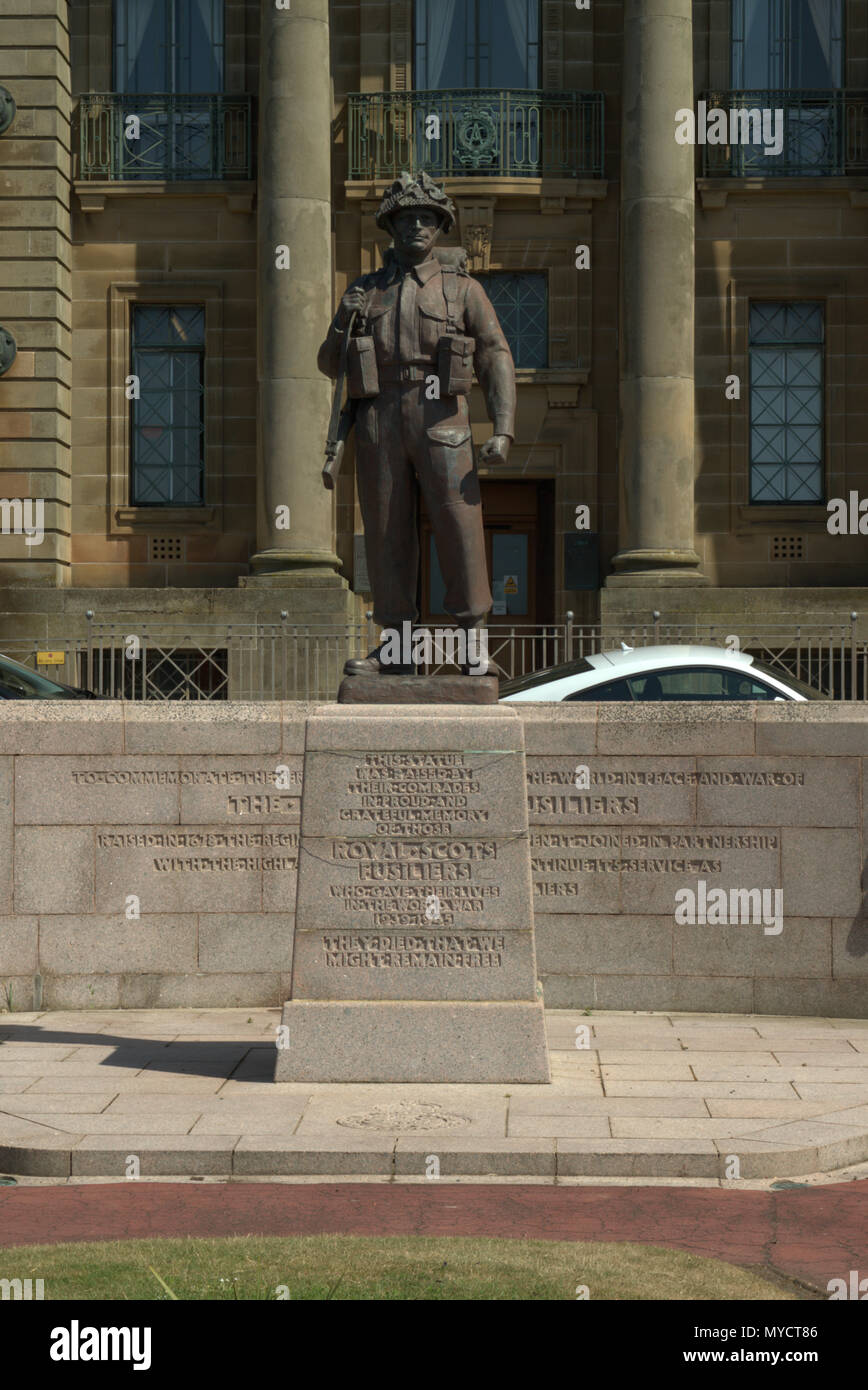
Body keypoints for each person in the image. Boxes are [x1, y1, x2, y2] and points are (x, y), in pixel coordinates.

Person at [317, 171, 516, 675]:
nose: (416, 227)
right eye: (406, 219)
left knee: (459, 525)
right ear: (391, 227)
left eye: (426, 218)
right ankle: (397, 648)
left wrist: (504, 426)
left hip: (442, 412)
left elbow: (494, 353)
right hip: (378, 415)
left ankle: (473, 646)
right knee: (386, 530)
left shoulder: (462, 289)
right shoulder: (365, 291)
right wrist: (344, 319)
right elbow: (328, 362)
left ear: (441, 226)